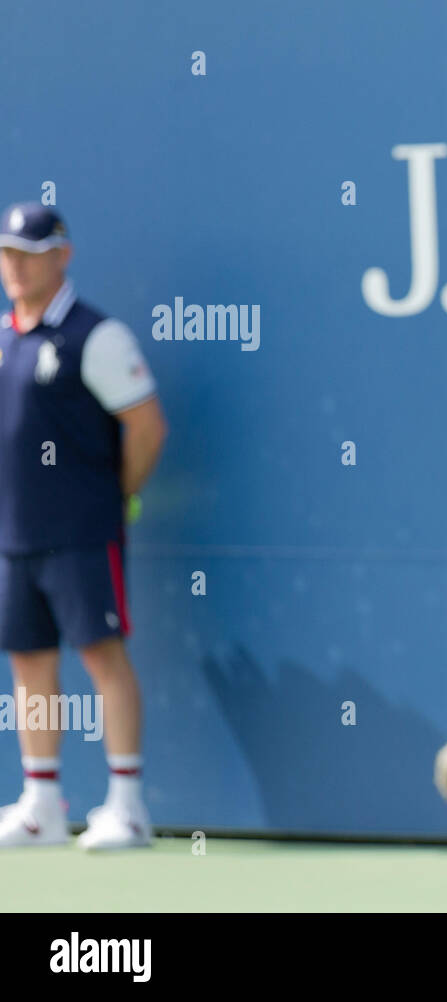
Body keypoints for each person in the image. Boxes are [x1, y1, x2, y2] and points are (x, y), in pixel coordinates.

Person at [0, 203, 166, 849]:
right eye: (6, 253)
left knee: (102, 656)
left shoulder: (97, 336)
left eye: (27, 252)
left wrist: (114, 497)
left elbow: (147, 428)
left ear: (60, 256)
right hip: (14, 538)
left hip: (82, 531)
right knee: (29, 664)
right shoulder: (5, 335)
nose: (13, 265)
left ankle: (127, 805)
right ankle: (42, 803)